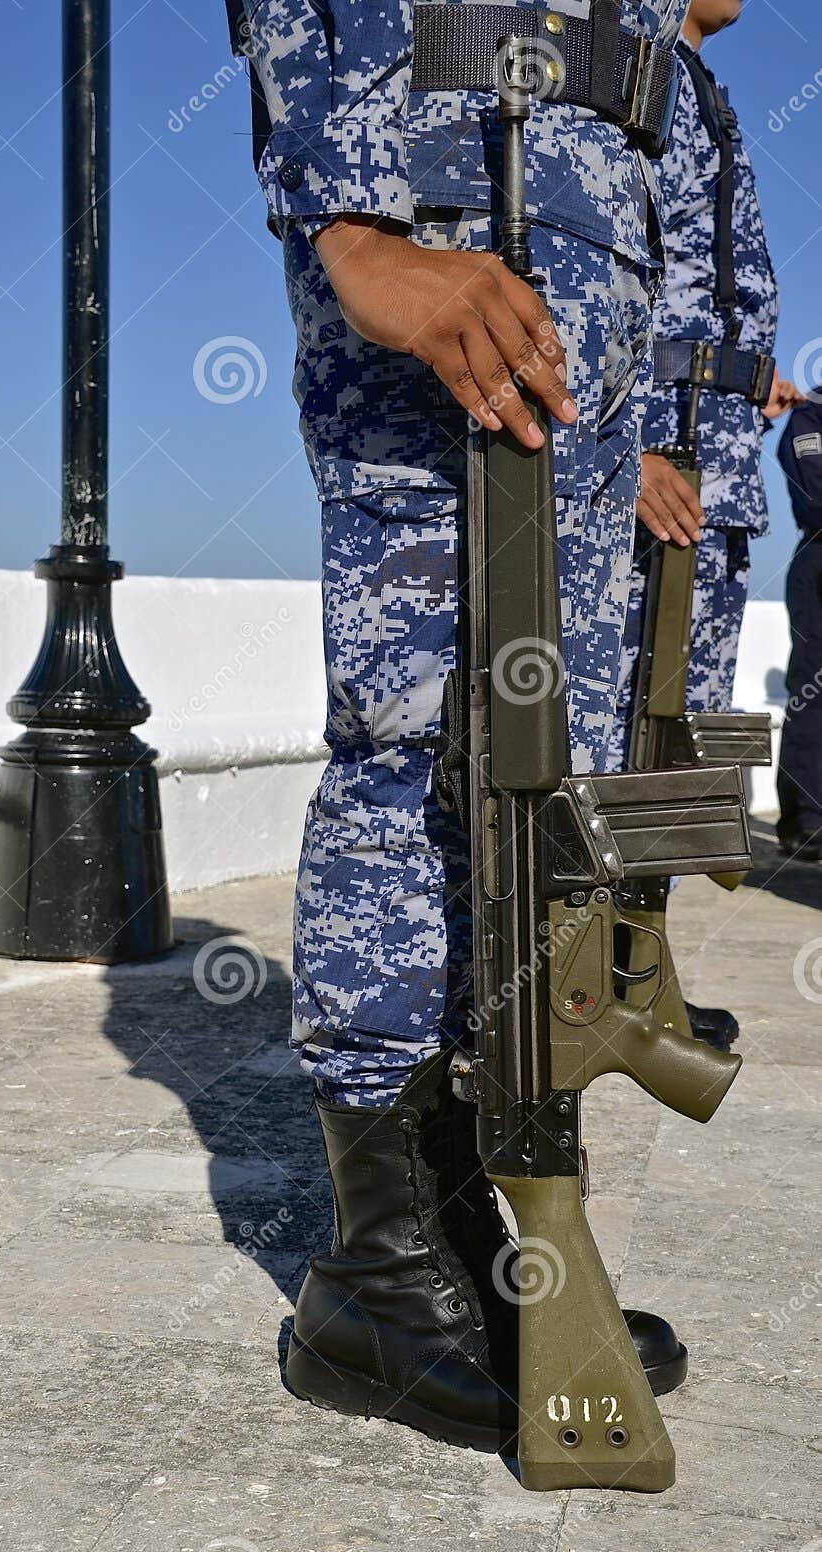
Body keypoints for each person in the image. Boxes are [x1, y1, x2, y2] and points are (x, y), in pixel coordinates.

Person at [228, 0, 692, 1454]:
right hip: (451, 200)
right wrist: (351, 218)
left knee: (545, 769)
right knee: (423, 742)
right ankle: (380, 1266)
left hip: (584, 232)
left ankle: (459, 1204)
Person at [608, 0, 800, 1048]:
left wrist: (748, 378)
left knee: (679, 739)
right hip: (665, 462)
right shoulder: (631, 69)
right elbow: (590, 271)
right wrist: (621, 446)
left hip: (713, 462)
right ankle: (598, 988)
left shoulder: (693, 84)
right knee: (633, 738)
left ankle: (637, 971)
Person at [776, 393, 822, 860]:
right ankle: (806, 821)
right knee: (812, 690)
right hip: (819, 561)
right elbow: (813, 493)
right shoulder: (812, 414)